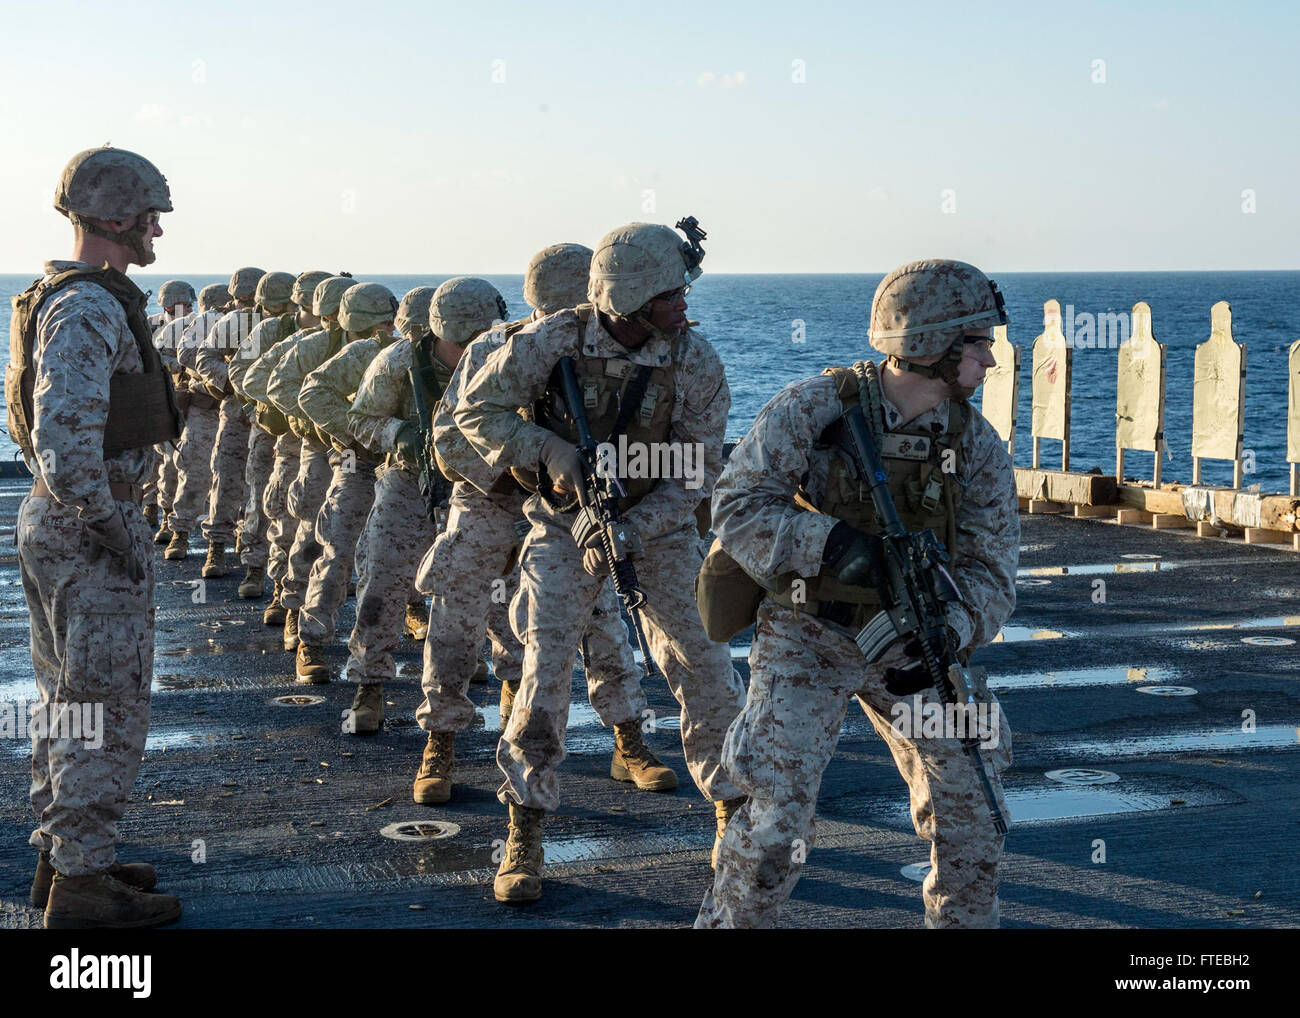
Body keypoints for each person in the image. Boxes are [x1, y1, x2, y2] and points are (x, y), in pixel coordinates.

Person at [694, 258, 1019, 929]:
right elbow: (736, 506)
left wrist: (952, 629)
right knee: (775, 825)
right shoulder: (815, 409)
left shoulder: (976, 447)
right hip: (809, 631)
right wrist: (834, 545)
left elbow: (993, 572)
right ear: (934, 344)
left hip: (914, 645)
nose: (990, 359)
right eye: (979, 342)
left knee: (975, 816)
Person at [454, 220, 746, 904]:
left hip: (661, 527)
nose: (684, 303)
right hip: (562, 524)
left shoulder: (693, 358)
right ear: (632, 300)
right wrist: (550, 453)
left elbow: (697, 469)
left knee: (704, 666)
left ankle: (734, 811)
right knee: (544, 668)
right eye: (671, 292)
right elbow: (477, 412)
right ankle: (525, 828)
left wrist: (634, 528)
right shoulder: (549, 341)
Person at [412, 243, 674, 807]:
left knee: (604, 621)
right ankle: (441, 740)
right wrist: (533, 469)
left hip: (570, 508)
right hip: (491, 498)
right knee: (455, 616)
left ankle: (628, 740)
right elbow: (452, 440)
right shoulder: (495, 348)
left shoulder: (603, 352)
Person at [6, 145, 184, 928]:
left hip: (63, 522)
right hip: (87, 526)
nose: (155, 231)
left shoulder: (69, 297)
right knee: (102, 710)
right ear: (113, 217)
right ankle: (81, 884)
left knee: (67, 703)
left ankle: (65, 859)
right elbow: (67, 440)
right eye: (148, 216)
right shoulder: (89, 307)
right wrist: (114, 531)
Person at [342, 277, 506, 733]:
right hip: (410, 479)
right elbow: (361, 418)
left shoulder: (505, 357)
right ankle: (369, 685)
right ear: (437, 332)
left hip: (481, 485)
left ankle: (508, 685)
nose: (473, 348)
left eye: (481, 337)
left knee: (498, 589)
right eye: (462, 340)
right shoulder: (399, 360)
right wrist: (399, 434)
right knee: (383, 579)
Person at [293, 286, 428, 682]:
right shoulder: (370, 354)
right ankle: (311, 640)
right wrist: (354, 431)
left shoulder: (455, 360)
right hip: (361, 463)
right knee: (338, 549)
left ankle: (416, 611)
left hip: (409, 470)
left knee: (419, 549)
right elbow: (312, 392)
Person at [268, 281, 394, 651]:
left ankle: (409, 611)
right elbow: (284, 387)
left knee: (399, 544)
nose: (383, 331)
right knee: (319, 527)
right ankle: (296, 606)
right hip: (333, 448)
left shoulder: (392, 351)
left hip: (389, 460)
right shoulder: (318, 346)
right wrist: (336, 426)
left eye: (387, 323)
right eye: (376, 324)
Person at [189, 265, 265, 574]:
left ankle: (252, 556)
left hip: (268, 413)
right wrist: (235, 385)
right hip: (236, 411)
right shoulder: (233, 323)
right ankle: (217, 547)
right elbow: (205, 358)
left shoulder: (276, 325)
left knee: (260, 486)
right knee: (227, 477)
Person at [160, 284, 230, 554]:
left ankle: (224, 540)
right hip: (203, 405)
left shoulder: (245, 324)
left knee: (232, 476)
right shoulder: (187, 326)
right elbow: (171, 355)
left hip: (233, 407)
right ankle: (179, 530)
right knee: (193, 468)